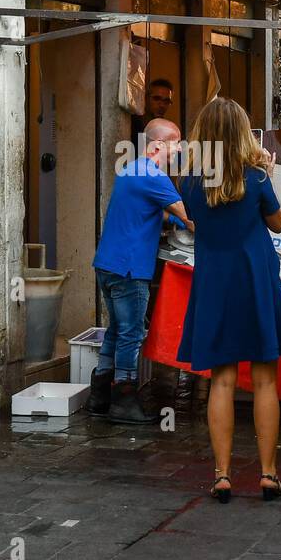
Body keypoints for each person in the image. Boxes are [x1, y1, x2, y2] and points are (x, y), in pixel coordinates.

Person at [177, 97, 281, 503]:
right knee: (265, 378)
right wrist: (267, 173)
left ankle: (222, 475)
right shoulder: (256, 178)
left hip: (214, 280)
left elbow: (198, 220)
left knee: (222, 379)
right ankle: (268, 474)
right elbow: (279, 222)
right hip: (255, 278)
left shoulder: (191, 181)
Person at [90, 118, 192, 424]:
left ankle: (99, 396)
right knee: (131, 334)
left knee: (117, 329)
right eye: (175, 144)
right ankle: (124, 397)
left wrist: (171, 219)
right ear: (158, 146)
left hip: (107, 265)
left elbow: (147, 212)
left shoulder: (131, 171)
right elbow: (189, 218)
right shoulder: (155, 176)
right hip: (130, 269)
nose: (178, 150)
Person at [131, 78, 175, 143]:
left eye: (166, 101)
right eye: (157, 99)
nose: (162, 105)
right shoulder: (131, 125)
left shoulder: (166, 131)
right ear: (145, 98)